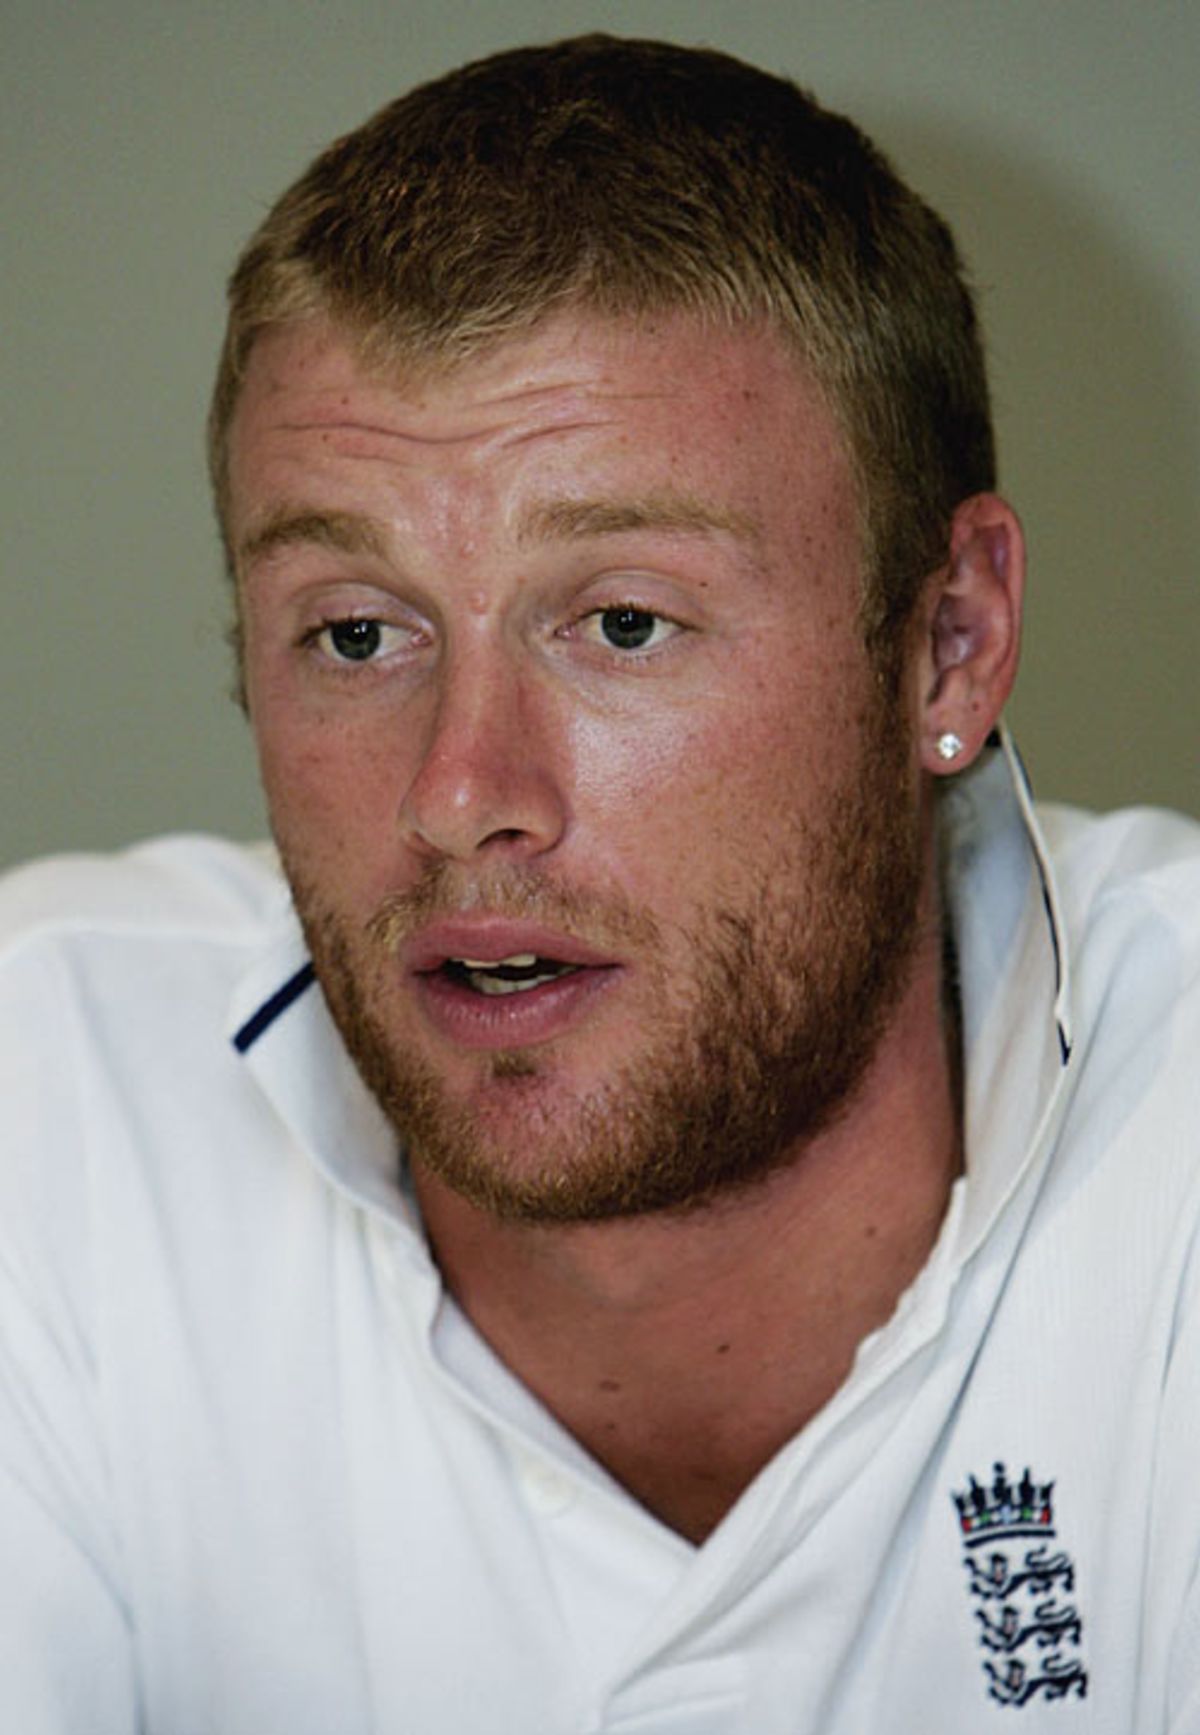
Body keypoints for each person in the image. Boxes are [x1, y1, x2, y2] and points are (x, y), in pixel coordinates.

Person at [2, 33, 1198, 1734]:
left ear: (949, 643)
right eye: (357, 632)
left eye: (623, 622)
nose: (462, 795)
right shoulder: (42, 1103)